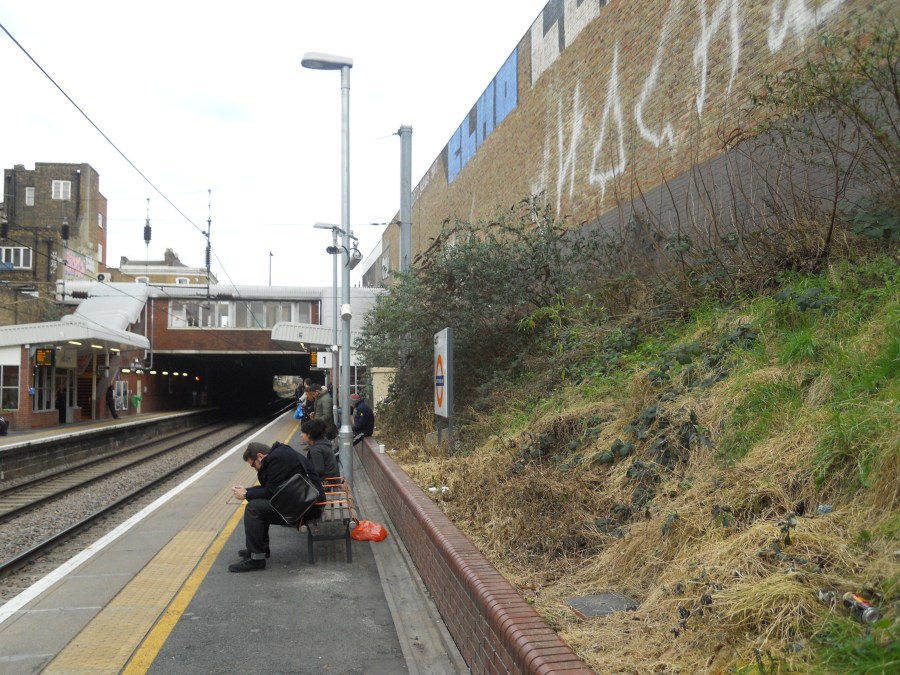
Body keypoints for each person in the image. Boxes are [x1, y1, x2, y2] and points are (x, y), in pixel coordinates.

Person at [229, 441, 324, 573]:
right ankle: (260, 548)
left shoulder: (278, 459)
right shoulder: (279, 455)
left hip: (308, 507)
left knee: (254, 508)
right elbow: (271, 487)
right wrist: (247, 490)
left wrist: (246, 494)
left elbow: (271, 491)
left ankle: (256, 559)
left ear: (260, 456)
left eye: (253, 465)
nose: (255, 469)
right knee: (258, 504)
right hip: (303, 501)